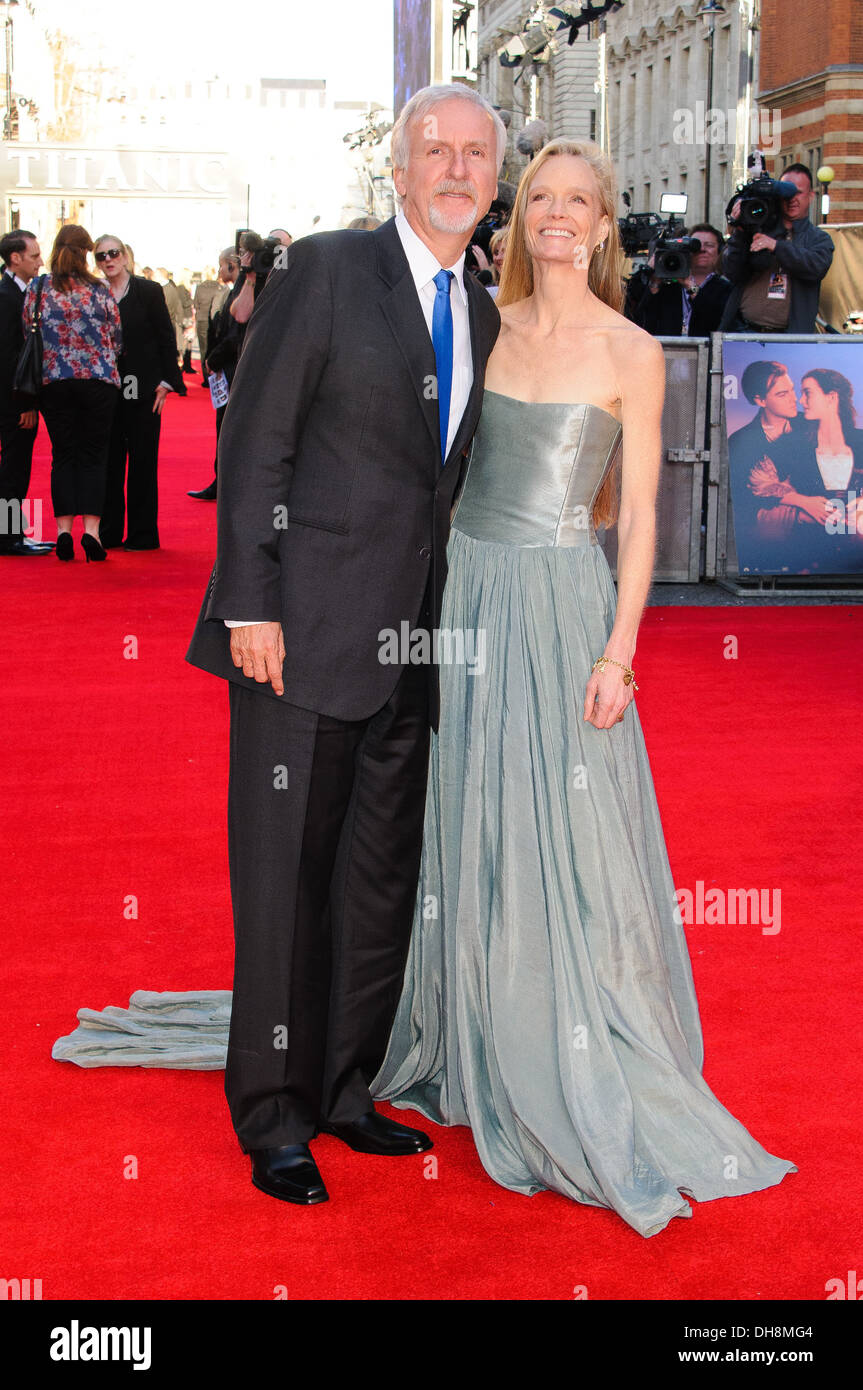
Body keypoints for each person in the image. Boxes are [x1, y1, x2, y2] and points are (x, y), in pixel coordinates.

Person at [372, 139, 796, 1238]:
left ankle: (559, 1034)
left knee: (560, 827)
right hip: (463, 588)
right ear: (522, 221)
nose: (556, 217)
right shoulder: (478, 322)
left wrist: (619, 650)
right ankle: (461, 1017)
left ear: (605, 225)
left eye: (578, 203)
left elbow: (642, 516)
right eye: (541, 200)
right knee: (461, 807)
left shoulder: (630, 348)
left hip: (560, 603)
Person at [185, 83, 505, 1206]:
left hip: (409, 649)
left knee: (377, 882)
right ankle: (271, 1114)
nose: (457, 169)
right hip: (298, 633)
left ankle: (340, 1086)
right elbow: (256, 440)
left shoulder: (483, 310)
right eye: (436, 149)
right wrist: (248, 604)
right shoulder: (326, 268)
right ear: (401, 169)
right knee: (282, 881)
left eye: (475, 153)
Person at [23, 224, 121, 562]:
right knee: (95, 456)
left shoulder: (38, 288)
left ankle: (64, 531)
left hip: (55, 382)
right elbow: (116, 337)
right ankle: (91, 531)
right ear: (86, 253)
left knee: (63, 455)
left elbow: (27, 332)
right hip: (97, 381)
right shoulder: (100, 290)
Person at [93, 234, 183, 551]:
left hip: (144, 391)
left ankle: (143, 535)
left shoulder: (148, 290)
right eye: (101, 256)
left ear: (125, 256)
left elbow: (164, 336)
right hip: (106, 392)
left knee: (143, 463)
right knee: (110, 463)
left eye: (113, 253)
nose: (108, 260)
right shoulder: (95, 293)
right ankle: (110, 532)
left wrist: (168, 381)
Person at [720, 164, 833, 333]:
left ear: (810, 196)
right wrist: (740, 232)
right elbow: (732, 271)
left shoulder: (818, 238)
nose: (792, 198)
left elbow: (815, 267)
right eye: (786, 193)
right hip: (743, 331)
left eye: (798, 192)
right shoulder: (758, 228)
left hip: (789, 339)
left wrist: (776, 246)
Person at [0, 229, 53, 555]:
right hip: (13, 401)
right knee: (14, 469)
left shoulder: (17, 292)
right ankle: (9, 537)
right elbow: (9, 358)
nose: (40, 262)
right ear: (15, 258)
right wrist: (24, 403)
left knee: (15, 467)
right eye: (34, 256)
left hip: (14, 398)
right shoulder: (8, 297)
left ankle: (14, 533)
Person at [626, 223, 731, 336]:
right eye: (696, 245)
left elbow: (715, 317)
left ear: (719, 251)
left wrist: (690, 286)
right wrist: (652, 274)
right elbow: (641, 315)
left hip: (707, 351)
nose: (702, 249)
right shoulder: (669, 285)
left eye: (709, 245)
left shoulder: (725, 287)